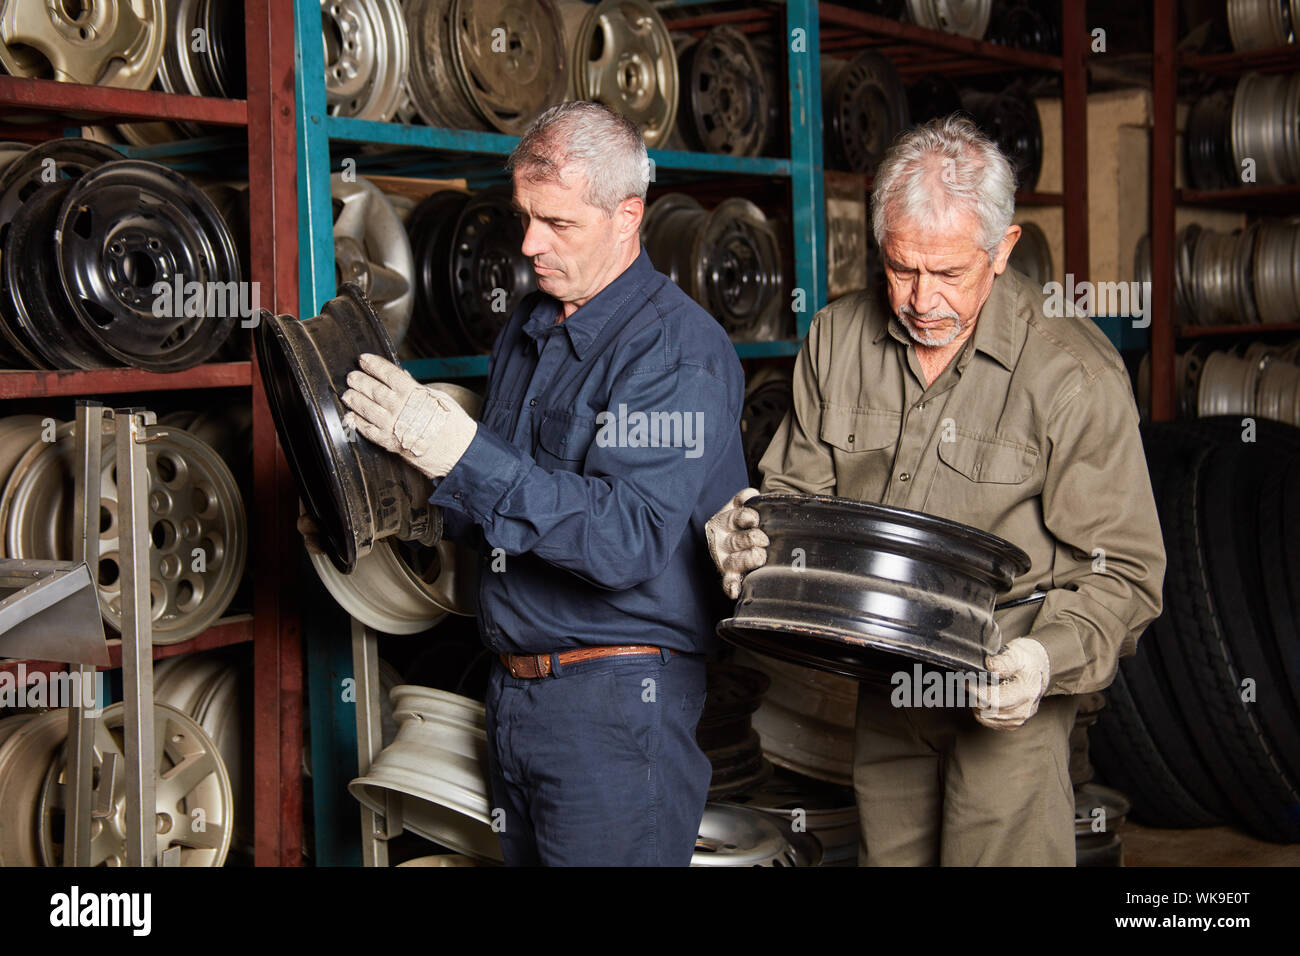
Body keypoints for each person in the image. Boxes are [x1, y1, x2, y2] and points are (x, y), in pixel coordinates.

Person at [706, 115, 1166, 866]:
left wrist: (1044, 662)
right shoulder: (837, 338)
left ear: (1003, 250)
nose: (920, 299)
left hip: (1006, 689)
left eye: (948, 273)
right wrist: (750, 533)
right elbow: (798, 501)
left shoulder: (1073, 375)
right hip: (886, 679)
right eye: (900, 267)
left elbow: (1127, 573)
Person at [335, 101, 748, 866]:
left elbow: (626, 538)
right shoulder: (531, 324)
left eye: (558, 223)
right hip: (518, 694)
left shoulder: (676, 353)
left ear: (629, 216)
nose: (529, 246)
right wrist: (377, 502)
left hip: (619, 710)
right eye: (525, 216)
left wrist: (461, 453)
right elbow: (492, 508)